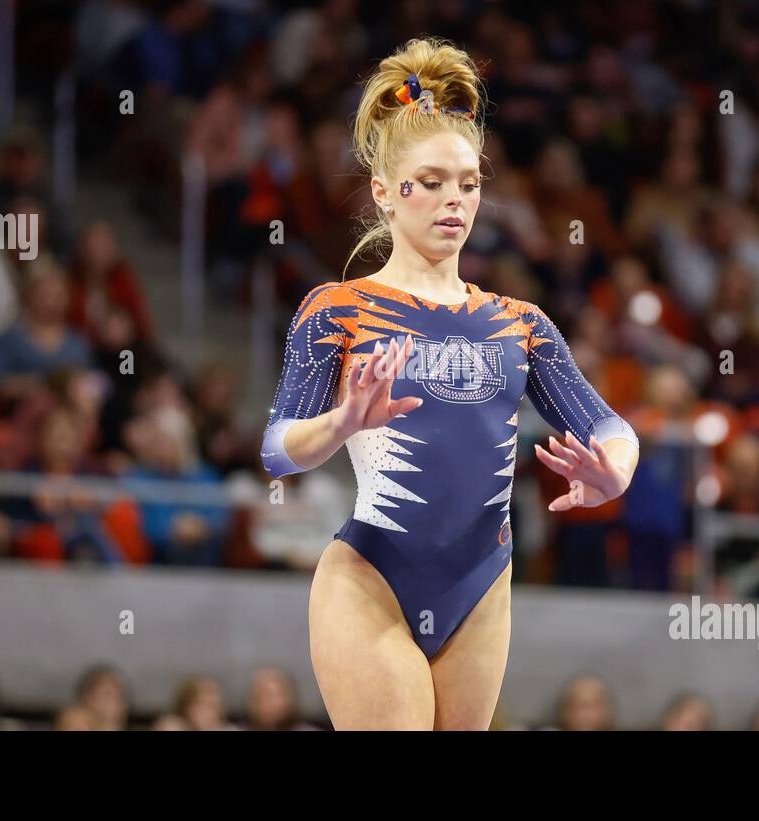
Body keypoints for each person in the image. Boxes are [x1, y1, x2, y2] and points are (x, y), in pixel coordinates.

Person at [260, 38, 639, 730]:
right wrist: (341, 421)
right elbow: (278, 448)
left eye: (467, 182)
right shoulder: (337, 309)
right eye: (430, 181)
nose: (453, 200)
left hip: (481, 587)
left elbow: (611, 425)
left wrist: (615, 472)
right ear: (383, 191)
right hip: (372, 578)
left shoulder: (518, 324)